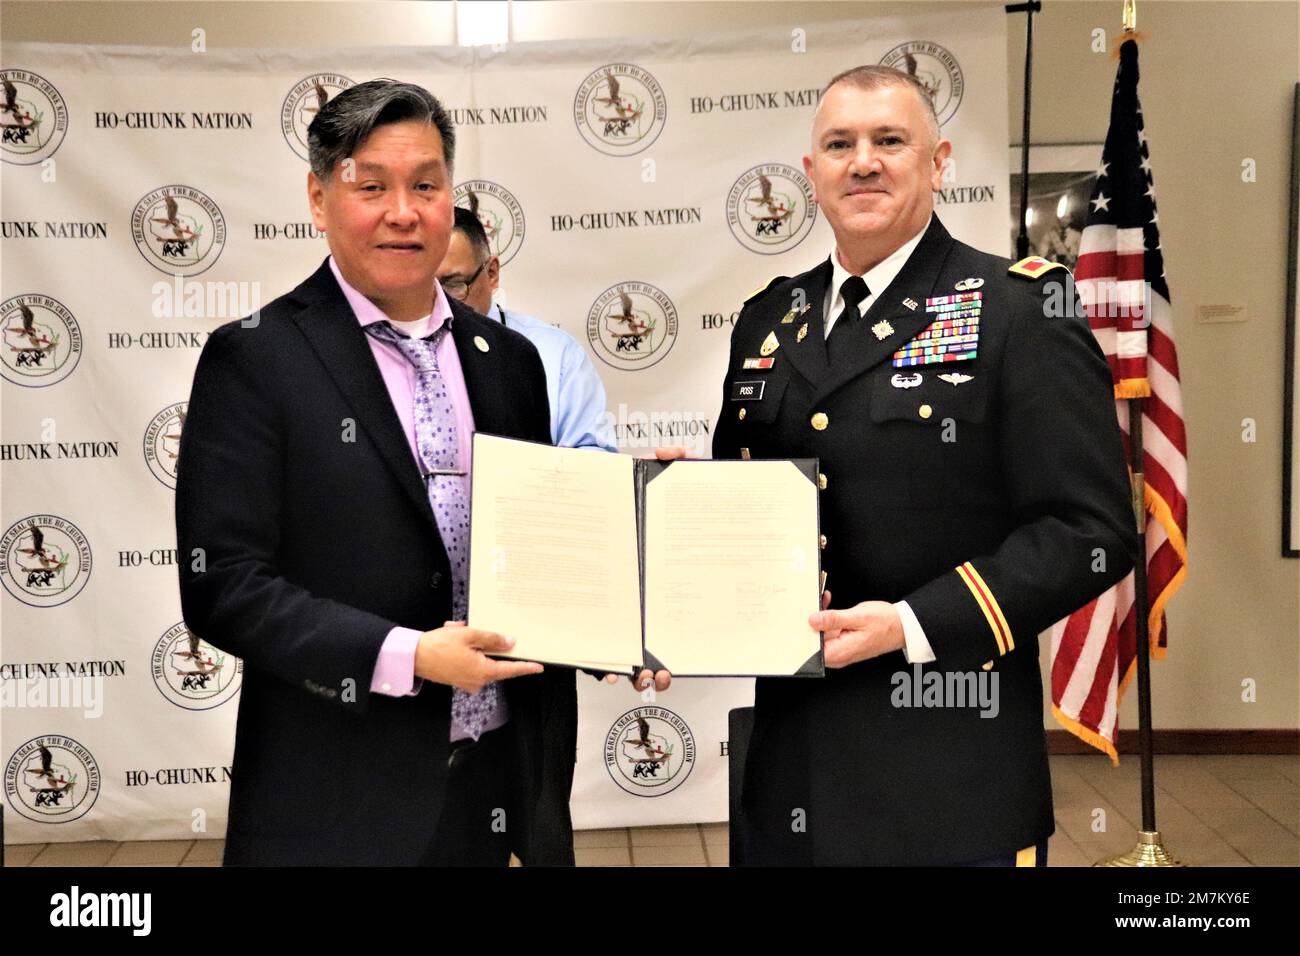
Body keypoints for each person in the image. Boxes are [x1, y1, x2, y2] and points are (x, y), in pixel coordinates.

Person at [693, 65, 1137, 865]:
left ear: (938, 164)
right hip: (788, 764)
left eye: (889, 141)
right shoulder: (768, 319)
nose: (863, 161)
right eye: (839, 144)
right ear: (811, 175)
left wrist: (908, 625)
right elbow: (744, 508)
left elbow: (1090, 532)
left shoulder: (1019, 311)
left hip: (945, 767)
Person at [176, 79, 578, 866]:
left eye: (426, 185)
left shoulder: (511, 362)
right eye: (372, 186)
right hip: (337, 799)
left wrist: (628, 624)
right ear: (320, 199)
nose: (404, 211)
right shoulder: (256, 359)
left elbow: (537, 553)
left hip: (499, 788)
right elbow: (222, 584)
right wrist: (410, 656)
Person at [438, 206, 617, 452]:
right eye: (427, 286)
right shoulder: (401, 349)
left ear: (492, 273)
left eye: (454, 285)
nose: (440, 301)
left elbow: (594, 458)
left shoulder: (557, 355)